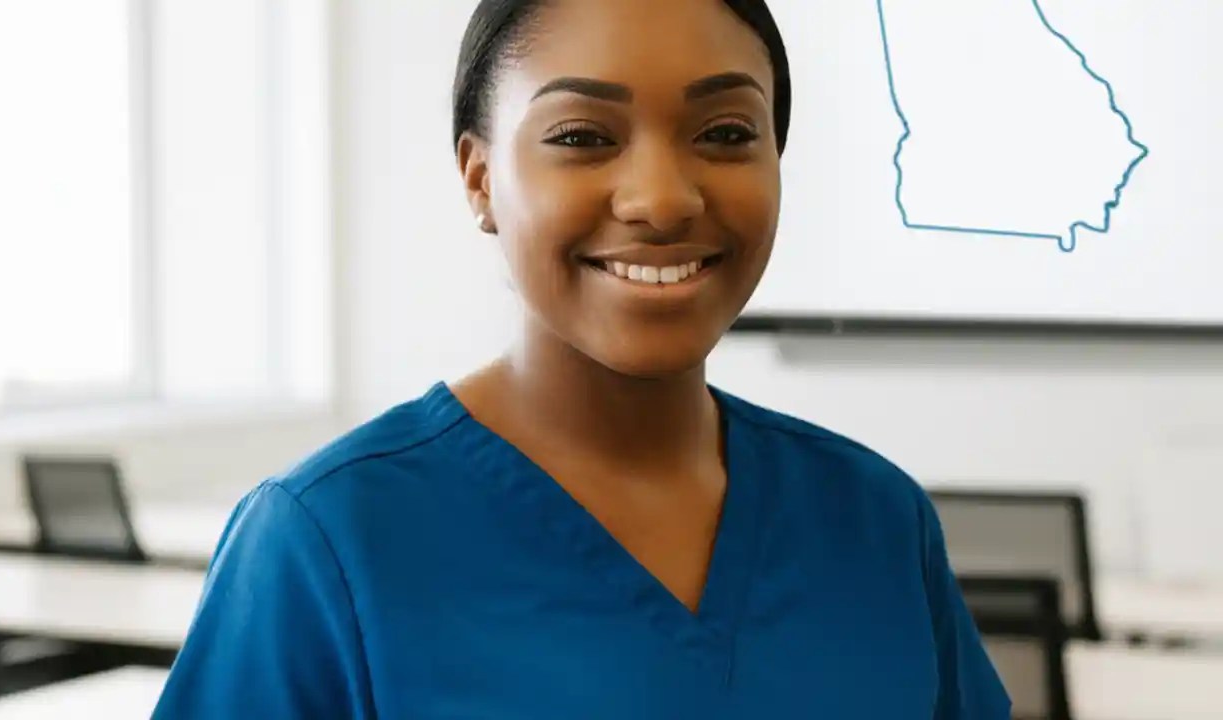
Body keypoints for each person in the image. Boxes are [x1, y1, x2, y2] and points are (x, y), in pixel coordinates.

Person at [154, 0, 1009, 717]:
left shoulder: (875, 521)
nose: (663, 199)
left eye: (723, 131)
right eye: (581, 137)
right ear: (480, 179)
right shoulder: (326, 541)